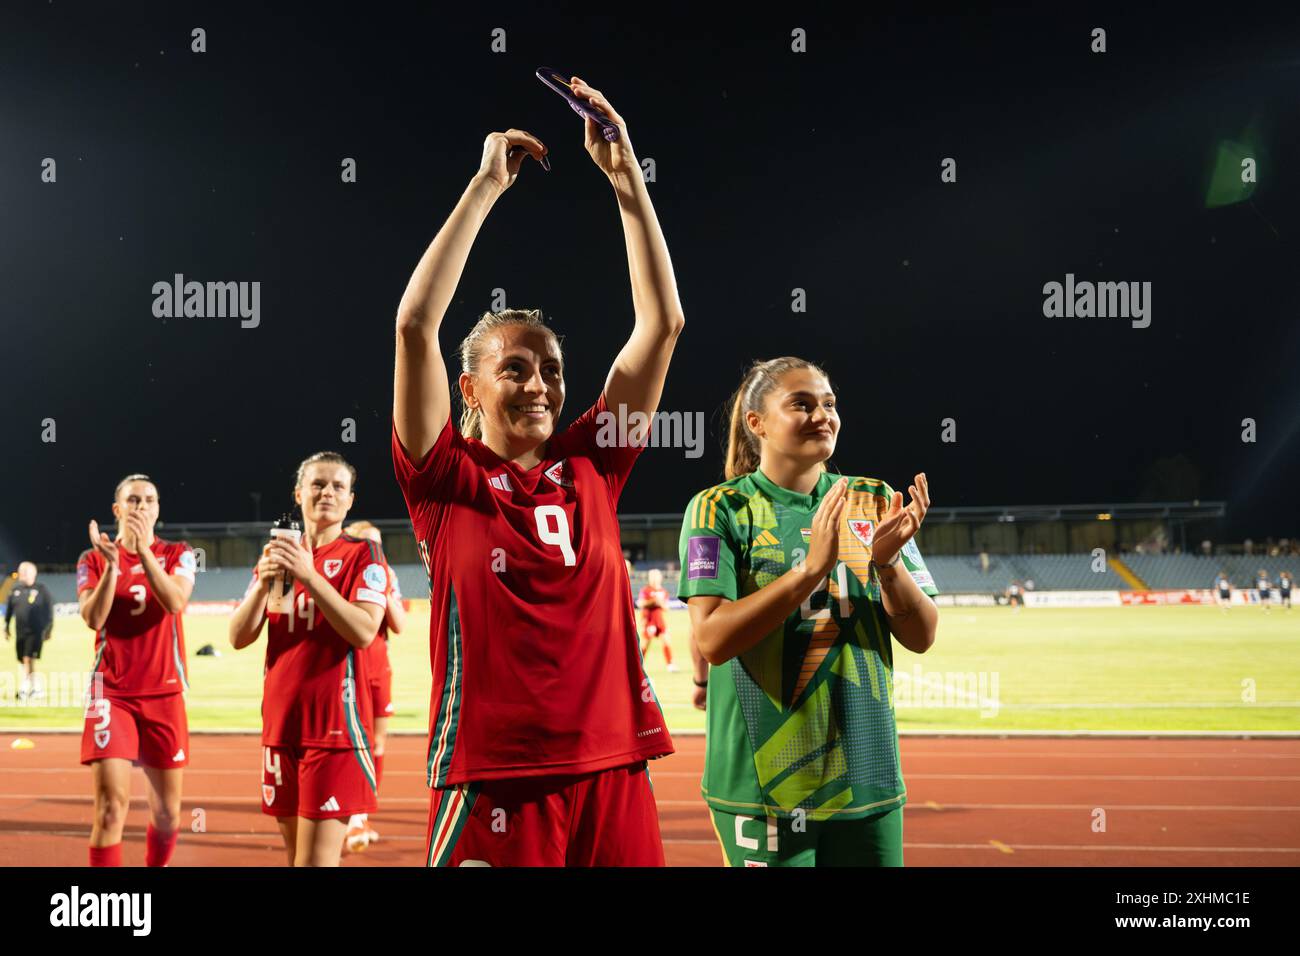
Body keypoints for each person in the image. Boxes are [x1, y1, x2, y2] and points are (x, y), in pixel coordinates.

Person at [391, 75, 682, 866]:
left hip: (615, 764)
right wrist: (486, 187)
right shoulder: (443, 480)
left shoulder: (595, 459)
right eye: (514, 369)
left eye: (550, 369)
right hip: (497, 775)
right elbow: (416, 325)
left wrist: (626, 177)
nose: (540, 385)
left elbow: (662, 325)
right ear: (470, 389)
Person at [678, 357, 938, 867]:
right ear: (757, 423)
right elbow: (711, 638)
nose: (822, 415)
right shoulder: (718, 509)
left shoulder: (874, 500)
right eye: (801, 404)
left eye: (829, 403)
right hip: (764, 784)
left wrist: (886, 566)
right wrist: (808, 571)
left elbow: (923, 635)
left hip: (866, 773)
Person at [228, 452, 387, 867]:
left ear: (350, 500)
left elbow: (364, 630)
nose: (327, 493)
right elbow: (238, 636)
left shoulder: (363, 555)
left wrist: (309, 574)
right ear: (298, 493)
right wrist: (263, 586)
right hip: (281, 726)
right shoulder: (278, 555)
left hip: (334, 728)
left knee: (316, 864)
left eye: (338, 486)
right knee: (295, 856)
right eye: (318, 484)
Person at [75, 474, 197, 867]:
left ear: (158, 509)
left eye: (149, 500)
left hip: (164, 691)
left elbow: (175, 600)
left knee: (167, 814)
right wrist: (112, 567)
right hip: (109, 692)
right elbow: (93, 618)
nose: (141, 507)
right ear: (118, 510)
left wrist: (143, 552)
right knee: (111, 807)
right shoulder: (92, 558)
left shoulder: (180, 552)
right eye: (133, 500)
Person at [341, 520, 407, 852]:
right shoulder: (341, 570)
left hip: (378, 667)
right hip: (349, 668)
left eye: (378, 545)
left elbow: (400, 624)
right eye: (368, 544)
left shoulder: (387, 576)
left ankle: (363, 813)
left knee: (377, 743)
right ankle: (351, 817)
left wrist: (382, 589)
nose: (374, 551)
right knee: (352, 743)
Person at [5, 562, 54, 701]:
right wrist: (6, 627)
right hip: (20, 632)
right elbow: (9, 611)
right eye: (21, 571)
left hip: (35, 631)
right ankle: (36, 689)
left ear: (34, 573)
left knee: (28, 659)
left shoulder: (41, 590)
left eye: (25, 572)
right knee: (23, 660)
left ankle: (25, 688)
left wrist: (49, 628)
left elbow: (49, 610)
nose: (22, 574)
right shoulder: (15, 590)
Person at [637, 568, 676, 671]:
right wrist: (654, 601)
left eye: (656, 577)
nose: (654, 579)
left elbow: (666, 607)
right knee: (645, 644)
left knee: (666, 640)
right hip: (649, 620)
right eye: (652, 577)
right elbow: (641, 603)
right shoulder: (646, 590)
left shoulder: (663, 591)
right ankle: (638, 665)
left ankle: (670, 665)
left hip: (660, 621)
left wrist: (661, 604)